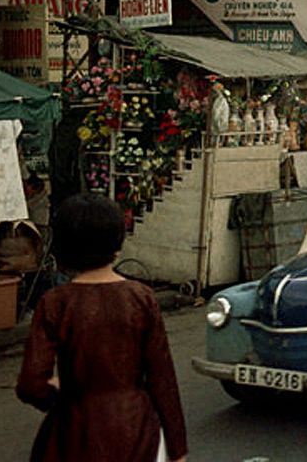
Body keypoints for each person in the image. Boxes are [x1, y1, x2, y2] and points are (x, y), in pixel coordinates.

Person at [16, 194, 188, 462]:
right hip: (137, 429)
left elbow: (30, 385)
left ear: (63, 248)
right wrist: (178, 449)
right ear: (117, 244)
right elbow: (162, 381)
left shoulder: (55, 304)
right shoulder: (141, 298)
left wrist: (62, 391)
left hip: (74, 433)